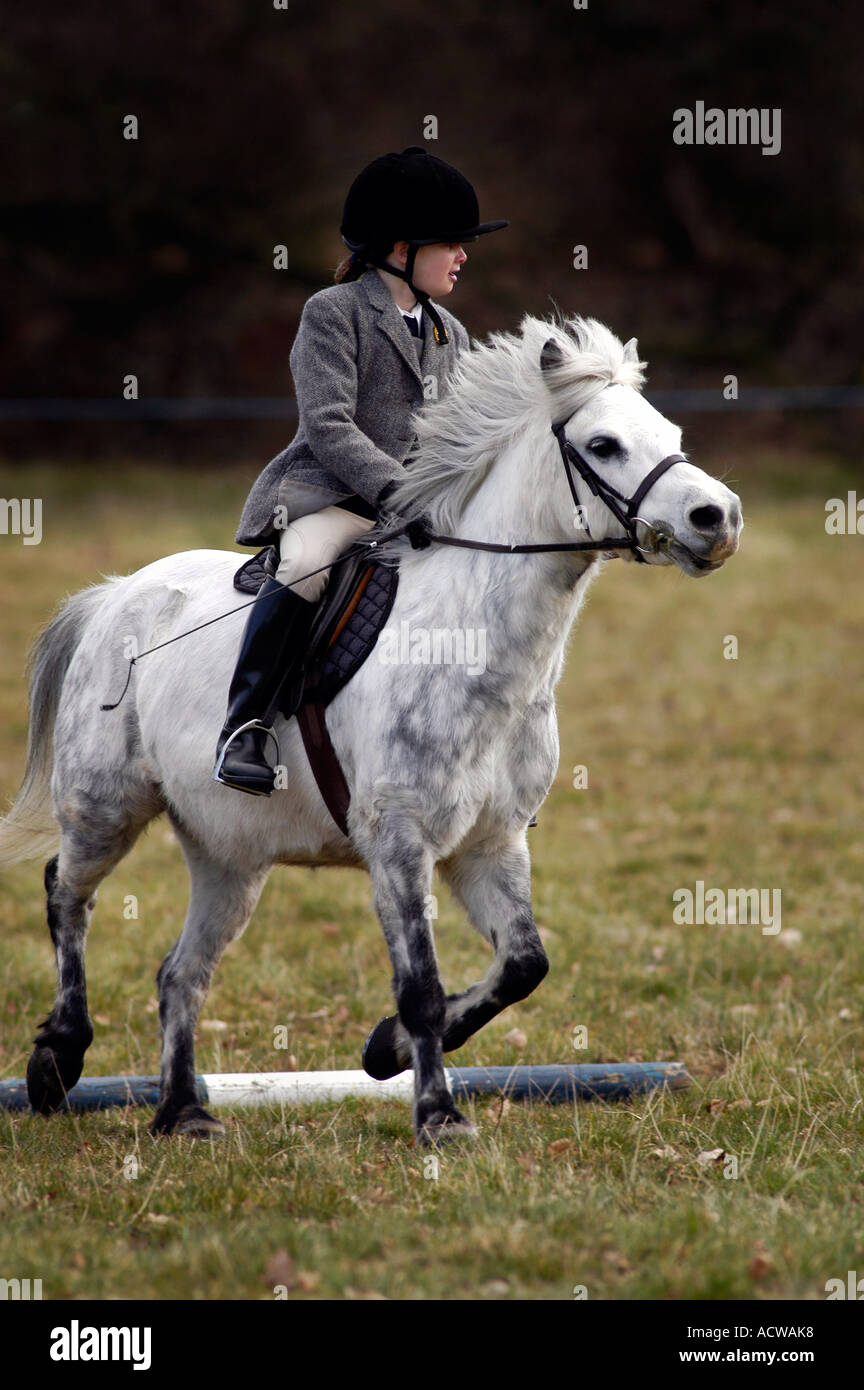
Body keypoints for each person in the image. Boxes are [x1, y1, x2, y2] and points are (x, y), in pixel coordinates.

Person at [213, 145, 508, 795]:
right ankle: (247, 725)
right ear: (400, 248)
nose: (463, 255)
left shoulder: (449, 332)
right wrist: (404, 493)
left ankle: (488, 744)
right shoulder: (332, 312)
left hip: (417, 504)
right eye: (452, 243)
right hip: (334, 497)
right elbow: (329, 425)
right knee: (305, 561)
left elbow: (455, 434)